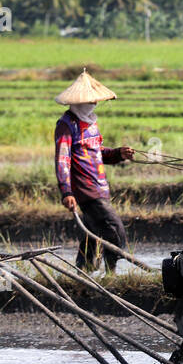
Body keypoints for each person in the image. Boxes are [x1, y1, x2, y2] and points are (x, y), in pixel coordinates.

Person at [53, 70, 134, 272]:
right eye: (89, 101)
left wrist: (118, 154)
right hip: (85, 189)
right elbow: (62, 159)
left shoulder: (91, 123)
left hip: (99, 186)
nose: (93, 104)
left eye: (95, 101)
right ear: (78, 102)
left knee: (92, 233)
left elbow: (98, 152)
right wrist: (66, 191)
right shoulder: (66, 125)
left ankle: (83, 273)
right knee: (114, 229)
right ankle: (111, 272)